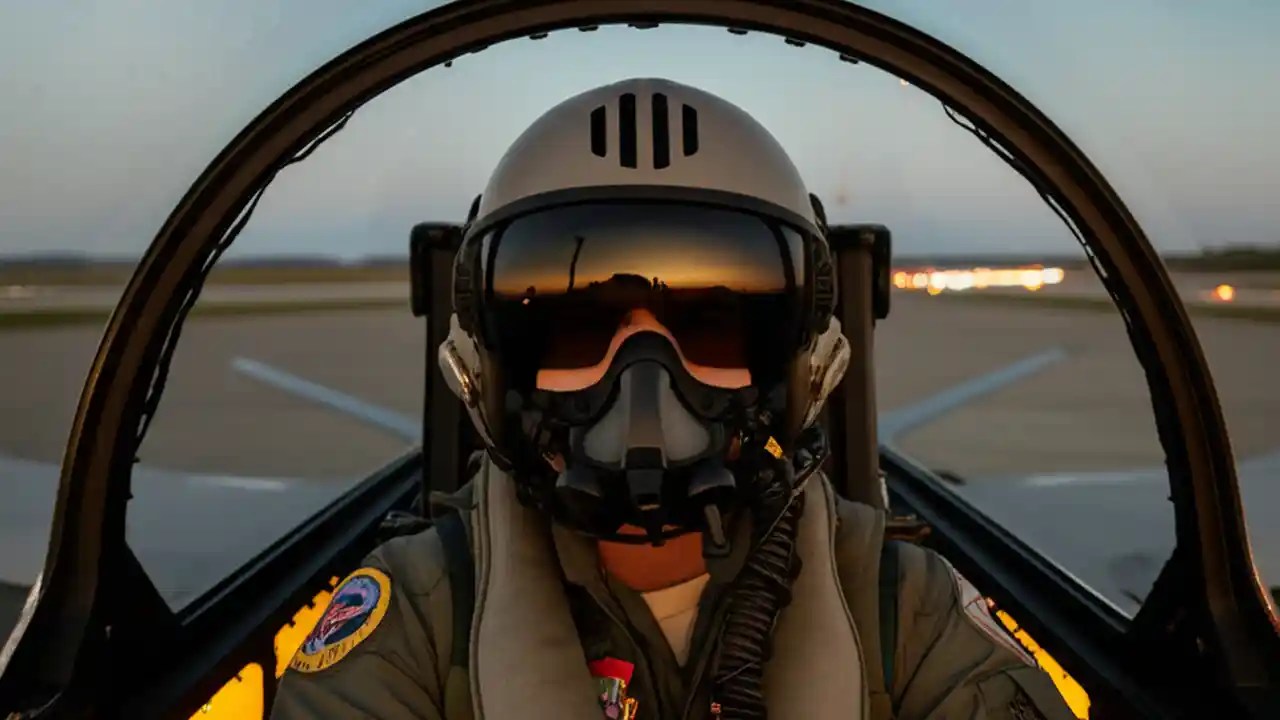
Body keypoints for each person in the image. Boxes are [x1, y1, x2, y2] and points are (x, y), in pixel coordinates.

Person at [271, 78, 1076, 720]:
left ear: (800, 362)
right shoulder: (418, 609)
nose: (644, 381)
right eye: (578, 330)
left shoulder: (904, 605)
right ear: (491, 365)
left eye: (713, 327)